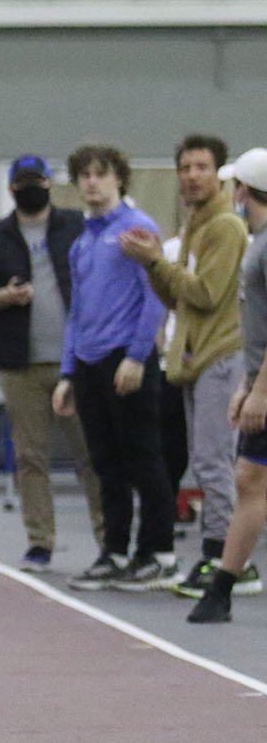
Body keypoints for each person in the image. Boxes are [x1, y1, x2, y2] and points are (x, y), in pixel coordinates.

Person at [118, 135, 250, 597]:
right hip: (194, 360)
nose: (192, 175)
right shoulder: (195, 225)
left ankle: (223, 558)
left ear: (220, 174)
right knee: (203, 461)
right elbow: (177, 300)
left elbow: (206, 294)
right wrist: (155, 268)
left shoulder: (227, 227)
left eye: (201, 166)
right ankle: (221, 554)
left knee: (214, 463)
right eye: (185, 167)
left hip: (220, 356)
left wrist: (157, 260)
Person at [0, 155, 106, 571]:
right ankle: (40, 542)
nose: (31, 188)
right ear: (12, 189)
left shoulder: (76, 226)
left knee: (92, 454)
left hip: (77, 361)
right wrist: (6, 297)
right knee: (31, 456)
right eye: (23, 182)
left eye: (37, 181)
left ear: (49, 185)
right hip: (19, 362)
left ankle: (109, 539)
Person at [53, 145, 175, 589]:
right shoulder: (82, 242)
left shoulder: (138, 229)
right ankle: (115, 551)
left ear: (119, 179)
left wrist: (137, 357)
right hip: (88, 362)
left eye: (100, 174)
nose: (91, 182)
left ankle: (159, 553)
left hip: (126, 360)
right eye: (83, 175)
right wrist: (68, 373)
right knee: (105, 463)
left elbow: (156, 297)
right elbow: (78, 312)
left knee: (143, 458)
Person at [189, 147, 267, 621]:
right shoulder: (257, 243)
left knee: (250, 480)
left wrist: (260, 390)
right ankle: (221, 588)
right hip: (258, 379)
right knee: (249, 480)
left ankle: (221, 588)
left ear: (244, 189)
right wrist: (246, 383)